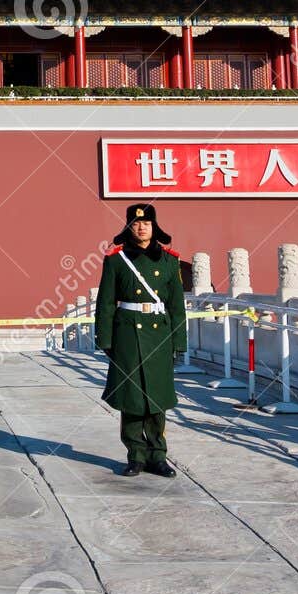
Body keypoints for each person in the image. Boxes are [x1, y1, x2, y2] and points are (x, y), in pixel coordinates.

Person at [93, 202, 186, 478]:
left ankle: (158, 456)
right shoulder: (116, 261)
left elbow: (177, 306)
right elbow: (106, 303)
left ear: (155, 227)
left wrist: (178, 342)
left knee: (157, 398)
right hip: (128, 336)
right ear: (128, 227)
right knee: (132, 398)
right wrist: (105, 339)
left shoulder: (170, 261)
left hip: (158, 334)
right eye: (135, 223)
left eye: (146, 223)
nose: (142, 227)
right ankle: (136, 455)